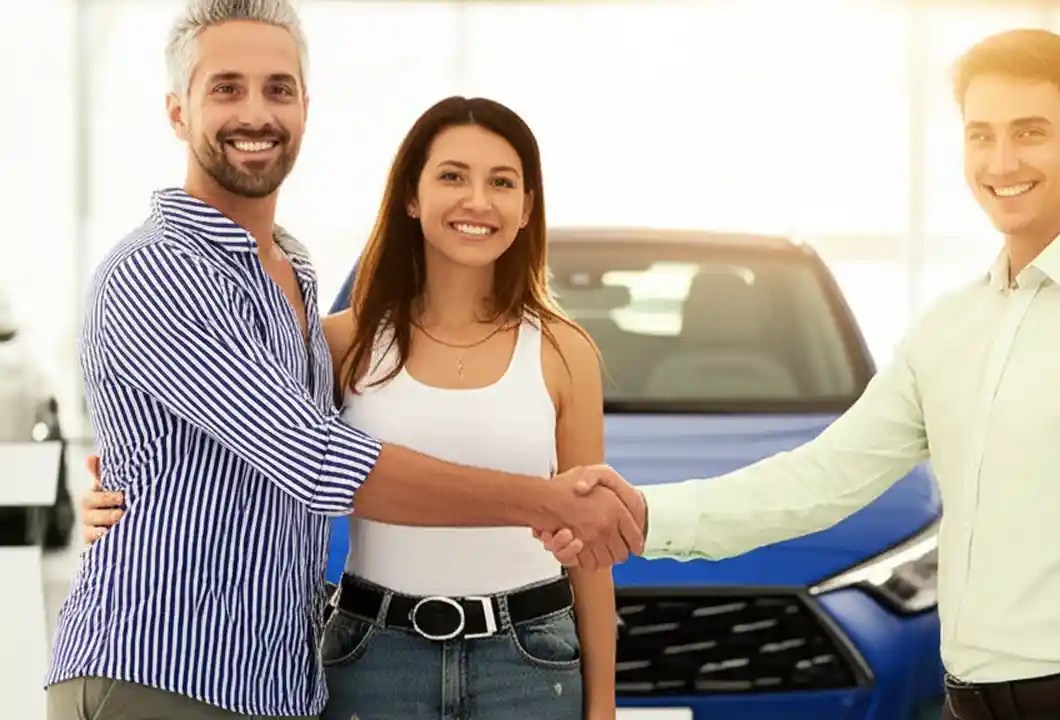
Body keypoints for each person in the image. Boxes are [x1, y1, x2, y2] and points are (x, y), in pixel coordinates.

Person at [542, 28, 1060, 720]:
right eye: (979, 134)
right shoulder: (952, 327)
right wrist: (641, 515)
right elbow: (819, 481)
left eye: (1030, 133)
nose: (1001, 161)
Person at [54, 2, 639, 719]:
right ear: (178, 111)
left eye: (277, 88)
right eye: (226, 88)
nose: (256, 111)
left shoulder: (289, 273)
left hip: (293, 676)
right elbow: (315, 458)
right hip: (182, 662)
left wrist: (140, 485)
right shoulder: (174, 275)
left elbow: (227, 450)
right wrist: (541, 499)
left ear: (305, 107)